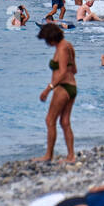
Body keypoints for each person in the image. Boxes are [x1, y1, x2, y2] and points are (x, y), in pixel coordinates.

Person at [37, 22, 77, 163]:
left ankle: (49, 155)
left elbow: (63, 71)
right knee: (64, 121)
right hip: (72, 87)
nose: (47, 43)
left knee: (50, 120)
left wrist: (49, 88)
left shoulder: (61, 49)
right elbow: (74, 69)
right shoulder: (68, 45)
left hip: (63, 87)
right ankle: (71, 156)